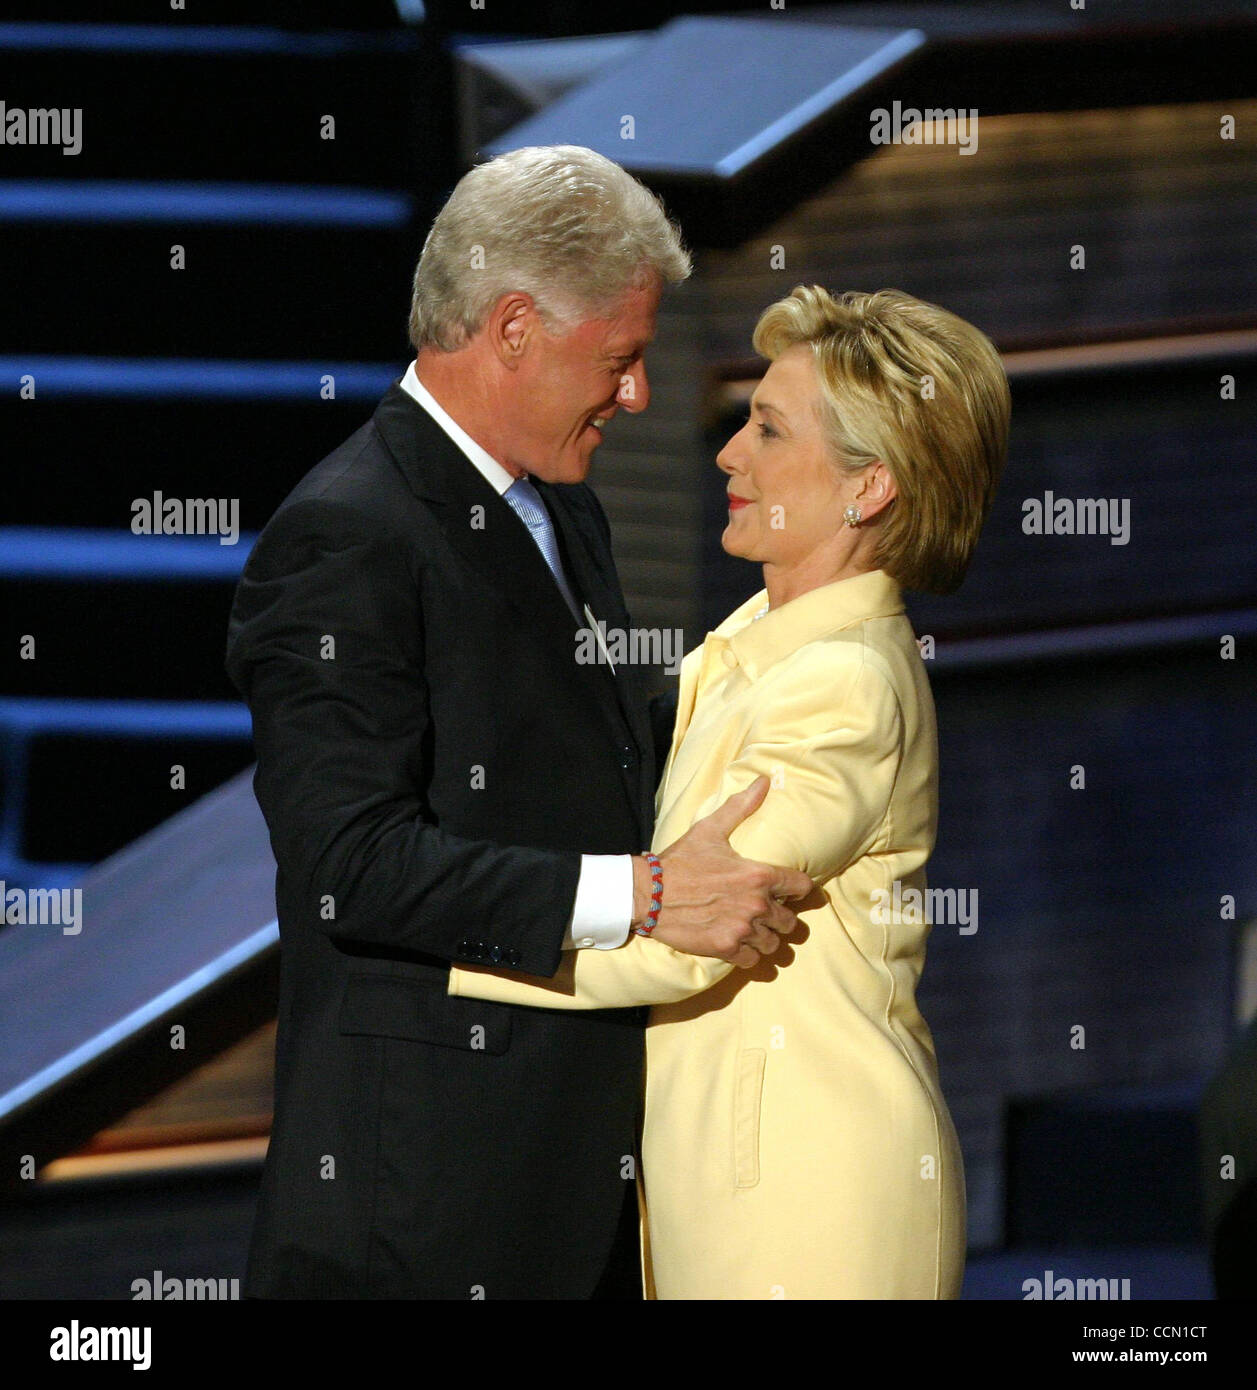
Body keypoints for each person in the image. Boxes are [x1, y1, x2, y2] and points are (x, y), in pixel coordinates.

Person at [224, 146, 811, 1300]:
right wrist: (641, 895)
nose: (639, 395)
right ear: (511, 329)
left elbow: (584, 749)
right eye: (620, 359)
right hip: (424, 1224)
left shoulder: (561, 507)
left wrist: (793, 664)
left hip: (575, 1182)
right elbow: (354, 864)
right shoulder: (346, 539)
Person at [450, 285, 1012, 1299]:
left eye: (768, 429)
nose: (728, 454)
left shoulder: (842, 680)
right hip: (735, 1180)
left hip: (811, 1193)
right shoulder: (760, 637)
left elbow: (693, 927)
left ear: (868, 487)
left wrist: (440, 957)